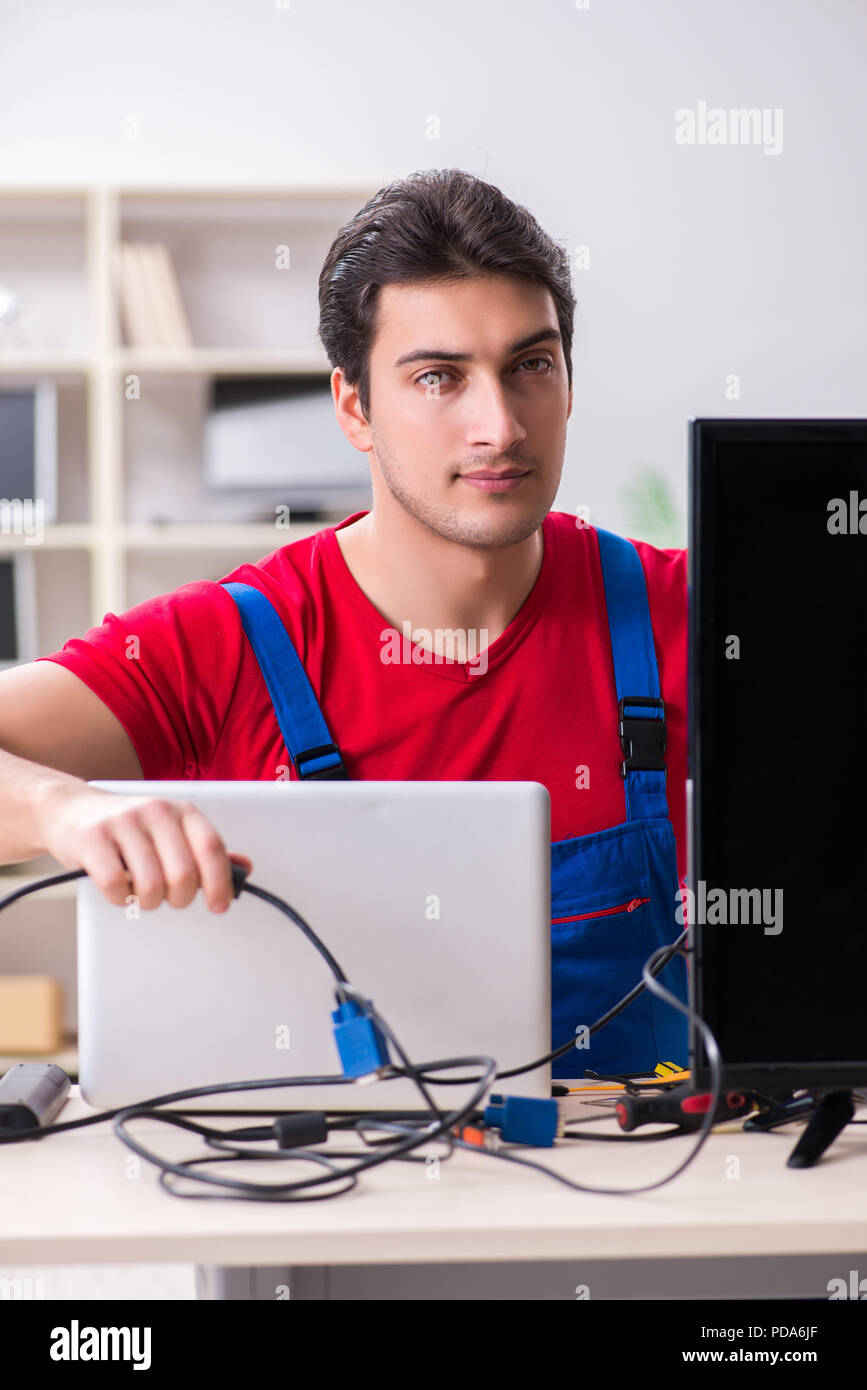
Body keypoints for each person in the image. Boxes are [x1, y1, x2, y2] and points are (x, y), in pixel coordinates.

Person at [0, 168, 688, 1074]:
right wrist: (61, 808)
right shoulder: (225, 644)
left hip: (653, 1188)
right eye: (439, 377)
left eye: (529, 365)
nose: (500, 425)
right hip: (340, 1195)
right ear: (355, 408)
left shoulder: (686, 612)